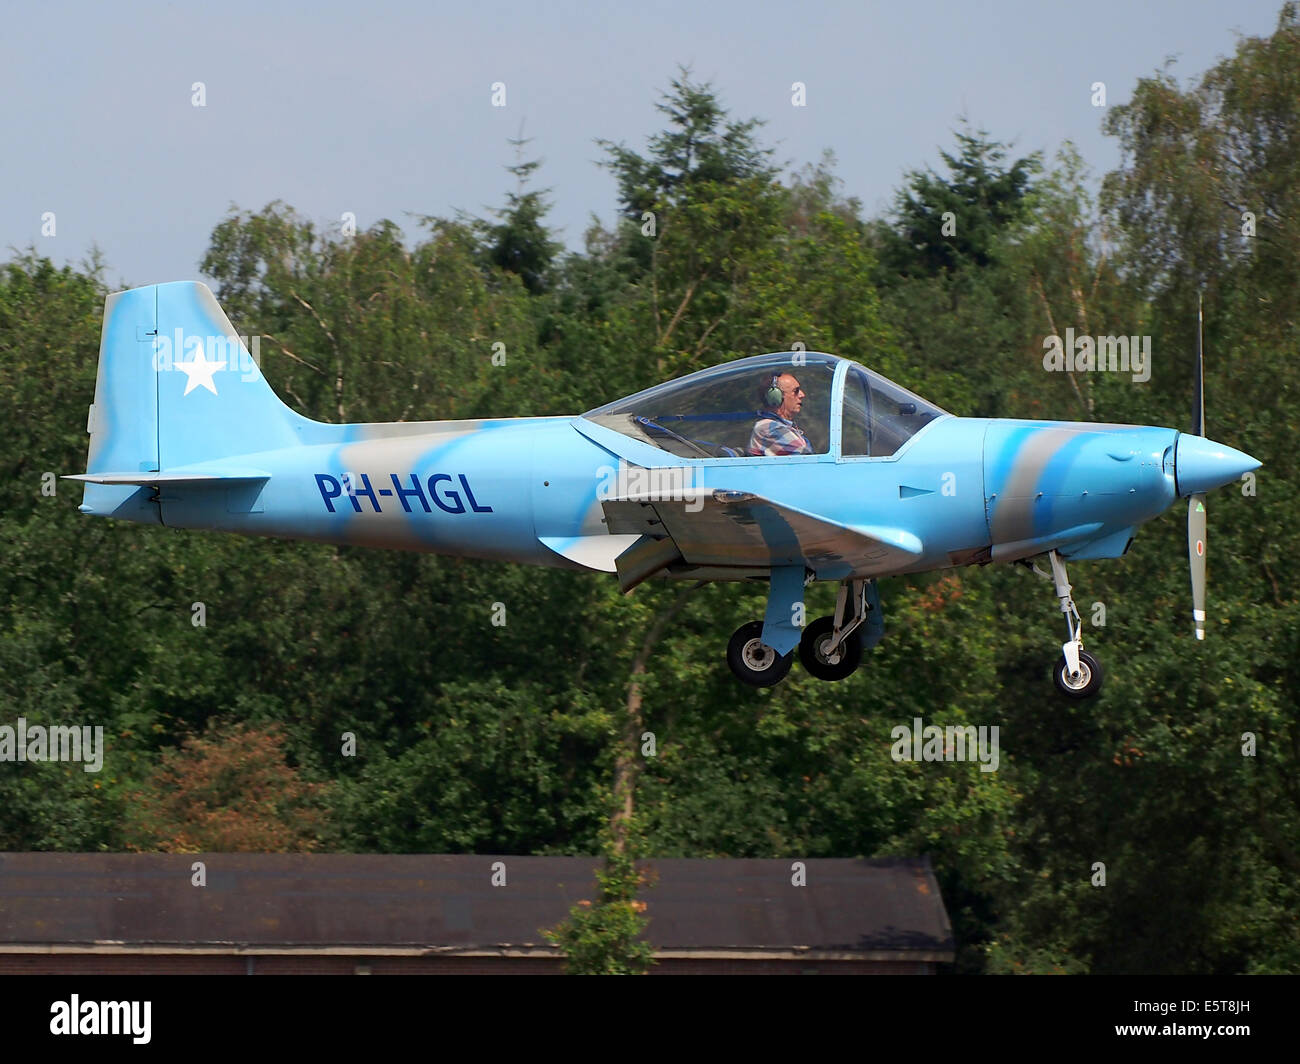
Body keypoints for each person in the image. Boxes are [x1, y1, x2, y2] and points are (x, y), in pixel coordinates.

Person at [748, 372, 814, 455]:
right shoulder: (769, 428)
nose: (802, 395)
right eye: (796, 391)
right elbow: (807, 457)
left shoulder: (783, 426)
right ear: (776, 397)